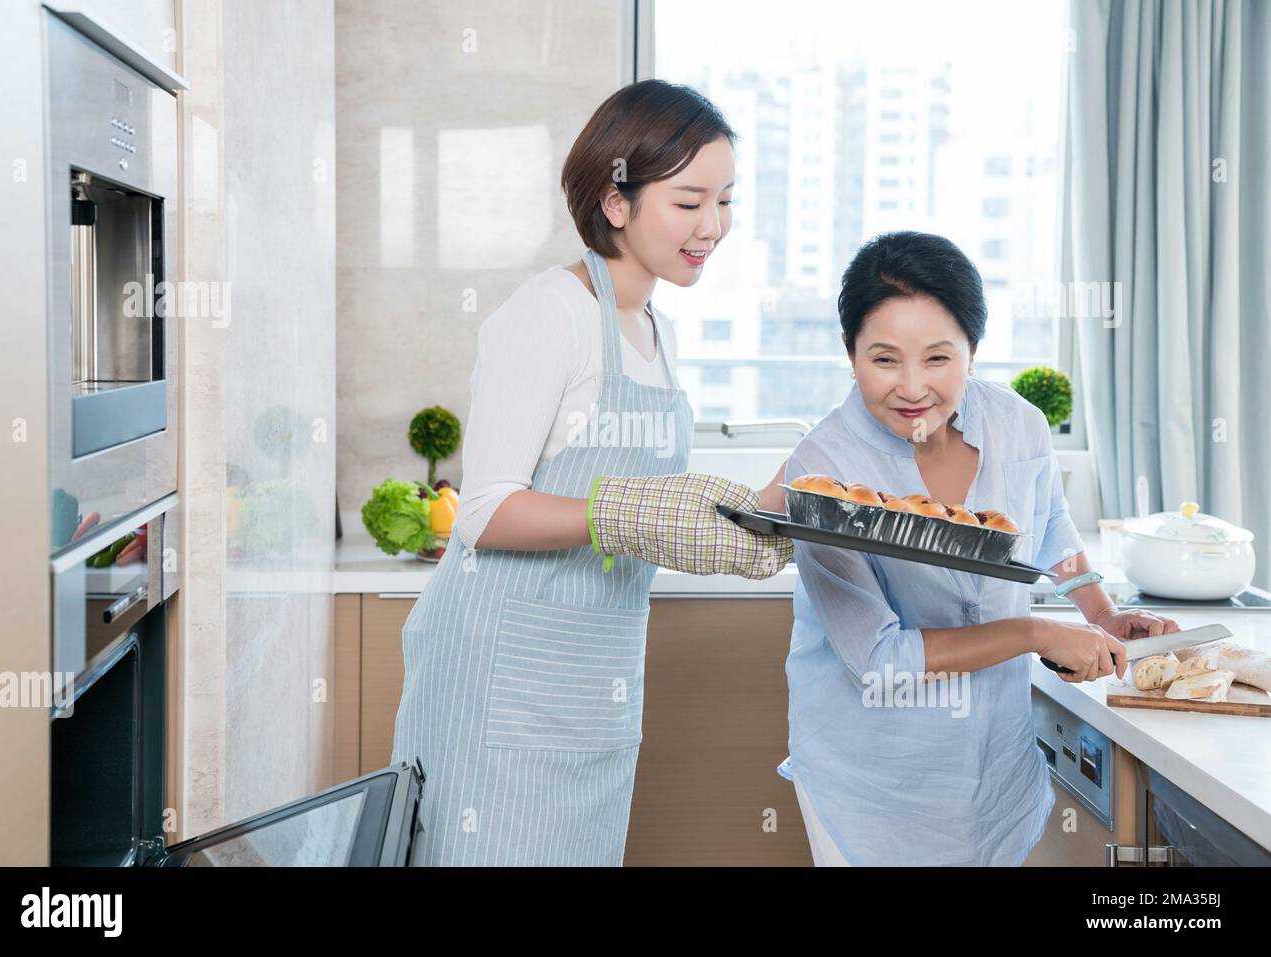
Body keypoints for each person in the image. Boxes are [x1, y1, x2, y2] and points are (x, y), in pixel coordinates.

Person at [390, 79, 792, 866]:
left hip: (593, 691)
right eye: (688, 201)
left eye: (726, 200)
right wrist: (618, 512)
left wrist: (779, 508)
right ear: (616, 202)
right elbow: (483, 511)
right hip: (501, 689)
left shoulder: (651, 329)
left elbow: (653, 496)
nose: (713, 226)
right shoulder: (550, 314)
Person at [777, 231, 1179, 866]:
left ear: (973, 350)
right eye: (884, 360)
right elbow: (881, 661)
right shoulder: (822, 467)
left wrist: (1098, 613)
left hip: (995, 767)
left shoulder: (1017, 424)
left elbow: (1050, 532)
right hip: (870, 779)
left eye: (938, 358)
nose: (912, 388)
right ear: (849, 353)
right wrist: (1035, 635)